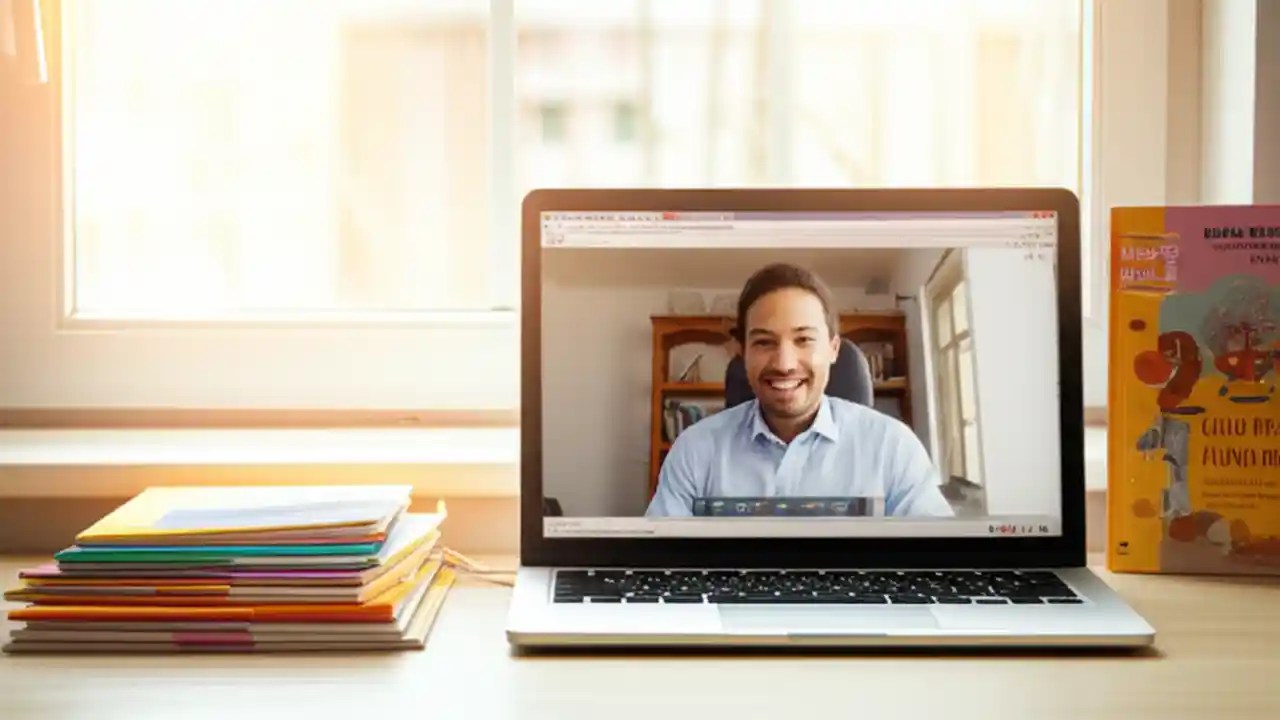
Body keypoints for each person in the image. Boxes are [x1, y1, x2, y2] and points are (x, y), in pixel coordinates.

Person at [645, 262, 954, 518]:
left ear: (833, 349)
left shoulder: (893, 446)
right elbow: (661, 561)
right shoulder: (694, 450)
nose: (784, 364)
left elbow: (936, 562)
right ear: (743, 352)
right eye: (764, 342)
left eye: (804, 339)